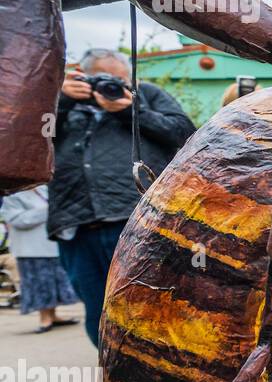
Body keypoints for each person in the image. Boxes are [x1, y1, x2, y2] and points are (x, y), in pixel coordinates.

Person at [50, 49, 196, 347]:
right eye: (103, 78)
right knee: (98, 311)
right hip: (78, 225)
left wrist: (132, 111)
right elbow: (29, 139)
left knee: (153, 306)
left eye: (120, 79)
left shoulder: (148, 95)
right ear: (82, 74)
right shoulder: (59, 106)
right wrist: (60, 101)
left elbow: (185, 135)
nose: (113, 86)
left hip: (138, 222)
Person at [0, 187, 79, 332]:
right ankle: (45, 318)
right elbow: (17, 219)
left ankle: (53, 315)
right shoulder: (12, 195)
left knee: (54, 283)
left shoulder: (44, 189)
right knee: (39, 284)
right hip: (30, 249)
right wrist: (48, 210)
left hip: (52, 244)